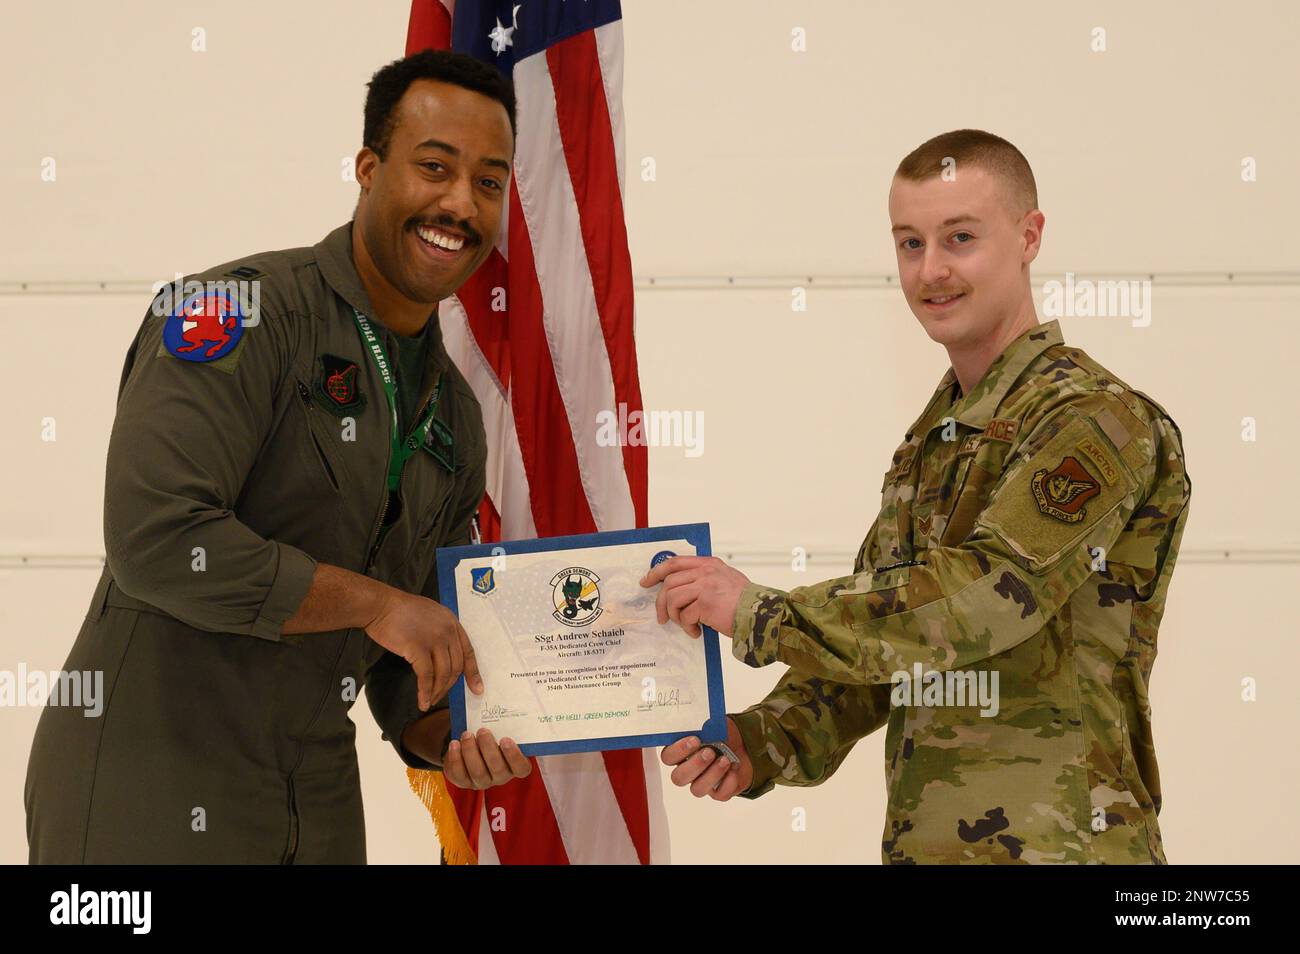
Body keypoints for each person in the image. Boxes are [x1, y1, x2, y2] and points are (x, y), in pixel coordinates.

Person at [24, 49, 531, 864]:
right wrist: (375, 605)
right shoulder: (232, 312)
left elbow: (410, 656)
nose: (459, 203)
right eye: (434, 167)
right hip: (145, 781)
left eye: (488, 183)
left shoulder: (457, 418)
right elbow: (158, 539)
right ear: (369, 169)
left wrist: (451, 735)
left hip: (314, 793)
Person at [641, 129, 1192, 865]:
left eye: (959, 238)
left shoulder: (1094, 420)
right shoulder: (935, 439)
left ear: (1030, 237)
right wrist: (763, 740)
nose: (931, 270)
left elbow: (989, 596)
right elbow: (892, 644)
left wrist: (760, 612)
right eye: (909, 243)